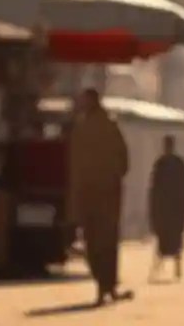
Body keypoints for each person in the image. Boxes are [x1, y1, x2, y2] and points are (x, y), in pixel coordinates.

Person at [67, 88, 131, 306]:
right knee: (107, 243)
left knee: (94, 243)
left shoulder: (83, 129)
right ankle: (108, 286)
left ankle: (104, 287)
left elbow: (75, 167)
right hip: (107, 197)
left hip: (91, 196)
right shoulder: (108, 127)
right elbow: (124, 162)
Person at [147, 135, 184, 281]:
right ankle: (173, 268)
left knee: (171, 238)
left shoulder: (164, 163)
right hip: (170, 207)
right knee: (169, 238)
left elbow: (154, 188)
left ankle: (174, 268)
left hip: (170, 207)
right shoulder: (171, 163)